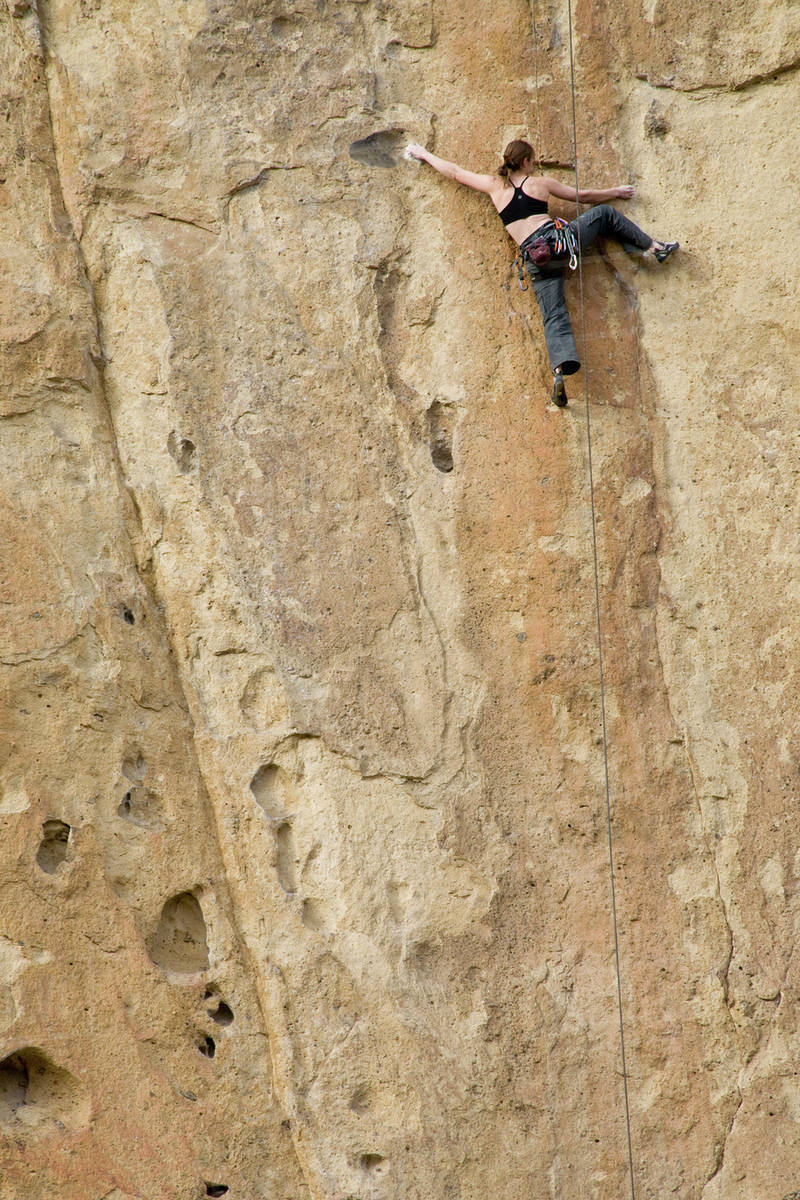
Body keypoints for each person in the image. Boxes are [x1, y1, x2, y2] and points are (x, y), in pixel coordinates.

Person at [407, 139, 678, 407]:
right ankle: (654, 247)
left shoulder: (494, 187)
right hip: (559, 243)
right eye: (532, 161)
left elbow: (455, 172)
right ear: (525, 162)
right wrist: (614, 192)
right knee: (604, 214)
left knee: (553, 314)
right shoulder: (540, 184)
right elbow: (582, 196)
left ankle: (559, 372)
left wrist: (423, 154)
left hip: (536, 258)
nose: (534, 165)